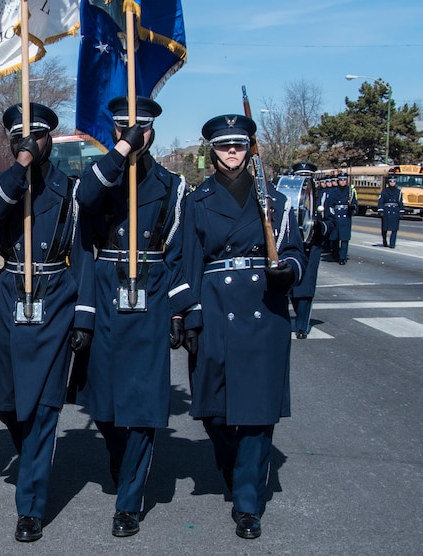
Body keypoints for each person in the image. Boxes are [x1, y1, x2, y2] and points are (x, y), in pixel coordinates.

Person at [179, 114, 306, 540]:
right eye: (223, 145)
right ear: (212, 151)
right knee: (214, 412)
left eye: (238, 145)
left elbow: (295, 250)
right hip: (215, 307)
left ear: (250, 149)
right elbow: (187, 262)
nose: (231, 152)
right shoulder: (197, 201)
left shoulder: (275, 202)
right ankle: (231, 461)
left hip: (263, 309)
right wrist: (189, 313)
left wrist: (288, 270)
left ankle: (248, 503)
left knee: (256, 414)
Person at [0, 103, 95, 542]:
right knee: (6, 402)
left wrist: (84, 314)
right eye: (19, 138)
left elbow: (83, 255)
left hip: (54, 294)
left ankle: (30, 507)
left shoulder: (71, 190)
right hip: (12, 292)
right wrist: (20, 167)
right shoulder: (1, 185)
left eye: (37, 136)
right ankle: (32, 456)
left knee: (43, 407)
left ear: (50, 139)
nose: (28, 142)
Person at [75, 96, 191, 538]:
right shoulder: (100, 175)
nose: (134, 133)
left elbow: (178, 252)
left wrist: (179, 313)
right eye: (124, 127)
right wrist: (122, 150)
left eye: (141, 127)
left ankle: (129, 501)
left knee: (142, 403)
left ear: (153, 130)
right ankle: (120, 455)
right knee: (103, 403)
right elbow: (86, 198)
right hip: (107, 288)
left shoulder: (172, 184)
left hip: (151, 291)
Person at [288, 162, 330, 339]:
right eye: (301, 176)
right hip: (291, 245)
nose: (304, 180)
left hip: (311, 246)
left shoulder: (321, 197)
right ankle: (295, 314)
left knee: (306, 286)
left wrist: (320, 226)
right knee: (290, 284)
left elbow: (331, 222)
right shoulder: (288, 195)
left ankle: (302, 325)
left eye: (307, 176)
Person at [324, 171, 358, 264]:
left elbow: (355, 204)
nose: (343, 182)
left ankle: (342, 257)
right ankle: (335, 254)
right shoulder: (333, 192)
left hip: (346, 216)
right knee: (335, 238)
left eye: (344, 180)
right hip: (336, 217)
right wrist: (331, 216)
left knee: (344, 239)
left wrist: (352, 207)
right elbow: (329, 205)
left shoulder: (350, 192)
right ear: (338, 181)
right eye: (341, 180)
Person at [378, 173, 404, 248]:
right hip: (387, 211)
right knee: (384, 228)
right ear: (388, 182)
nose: (392, 183)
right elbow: (381, 201)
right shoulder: (384, 191)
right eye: (391, 181)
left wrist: (401, 211)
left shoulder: (398, 191)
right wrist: (380, 210)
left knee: (394, 228)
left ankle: (392, 243)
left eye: (394, 181)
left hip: (395, 211)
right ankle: (384, 240)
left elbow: (400, 202)